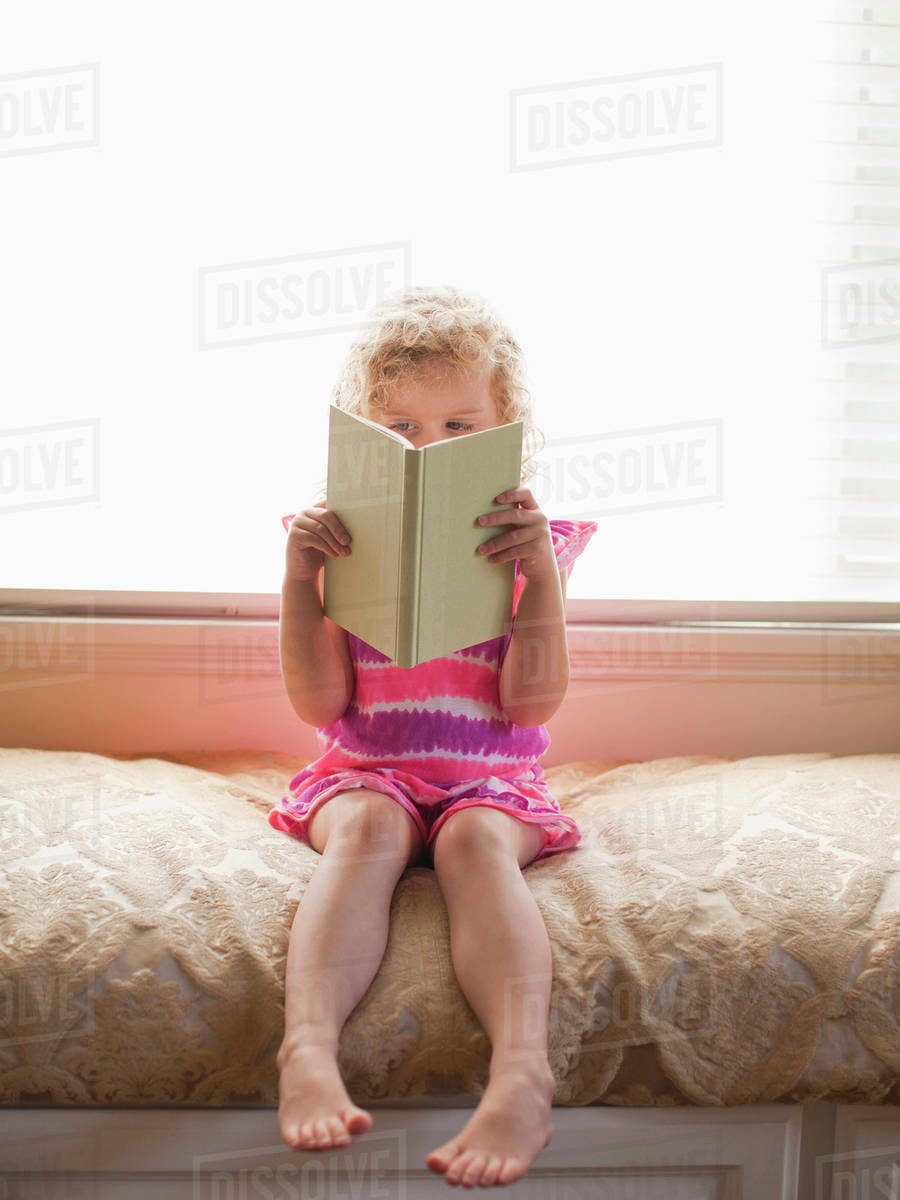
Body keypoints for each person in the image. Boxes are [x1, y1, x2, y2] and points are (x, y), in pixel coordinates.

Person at [270, 284, 597, 1189]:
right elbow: (318, 701)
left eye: (460, 428)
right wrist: (303, 584)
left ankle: (523, 1076)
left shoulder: (529, 544)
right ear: (365, 435)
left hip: (490, 780)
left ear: (505, 433)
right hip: (369, 769)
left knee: (477, 842)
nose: (430, 448)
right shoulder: (341, 541)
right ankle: (306, 1051)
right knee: (371, 828)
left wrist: (540, 585)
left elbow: (532, 710)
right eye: (402, 429)